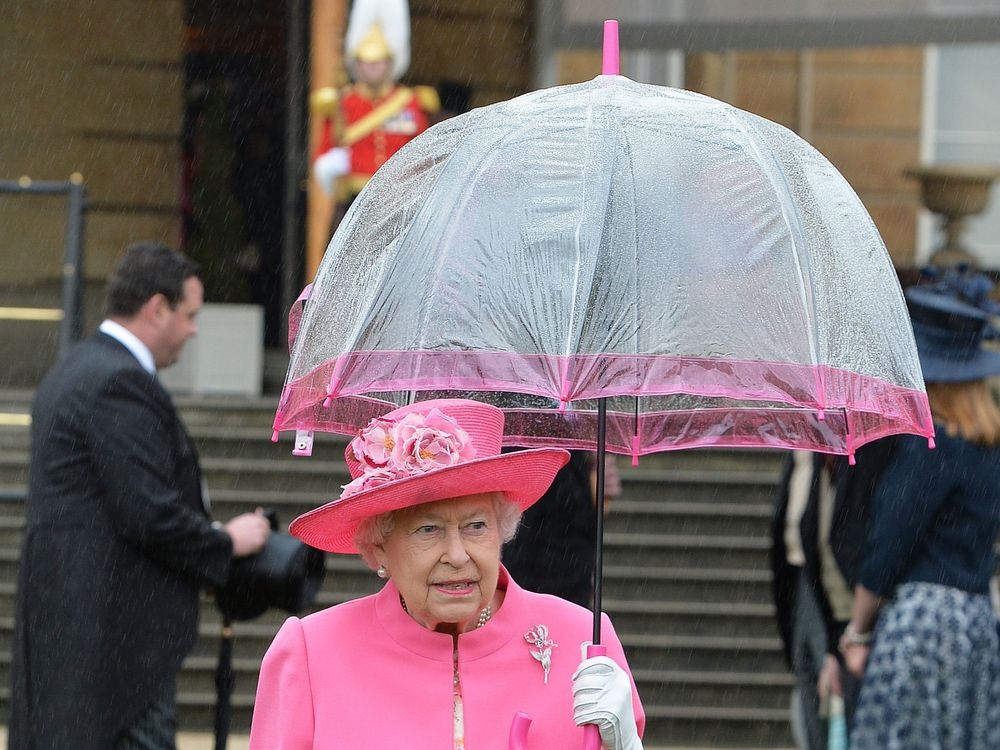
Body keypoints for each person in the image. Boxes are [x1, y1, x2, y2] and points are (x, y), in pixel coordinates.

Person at [250, 398, 645, 749]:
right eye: (428, 529)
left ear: (503, 529)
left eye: (476, 526)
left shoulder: (583, 640)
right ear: (378, 546)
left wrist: (626, 747)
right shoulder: (311, 653)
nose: (457, 556)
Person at [8, 242, 272, 750]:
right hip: (113, 654)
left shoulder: (77, 368)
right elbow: (149, 514)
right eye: (190, 315)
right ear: (157, 308)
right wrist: (225, 542)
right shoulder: (118, 382)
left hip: (78, 640)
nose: (195, 330)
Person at [841, 268, 1000, 750]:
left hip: (922, 628)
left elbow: (892, 539)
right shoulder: (990, 447)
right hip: (977, 623)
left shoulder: (930, 447)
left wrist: (857, 629)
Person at [770, 440, 896, 750]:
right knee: (813, 686)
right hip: (811, 587)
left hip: (854, 602)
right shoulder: (810, 446)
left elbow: (859, 536)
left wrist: (856, 629)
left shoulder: (861, 451)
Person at [311, 0, 439, 203]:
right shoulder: (342, 103)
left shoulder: (411, 102)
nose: (371, 68)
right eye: (365, 62)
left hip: (397, 197)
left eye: (378, 62)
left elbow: (422, 152)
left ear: (390, 63)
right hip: (354, 199)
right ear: (356, 64)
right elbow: (324, 150)